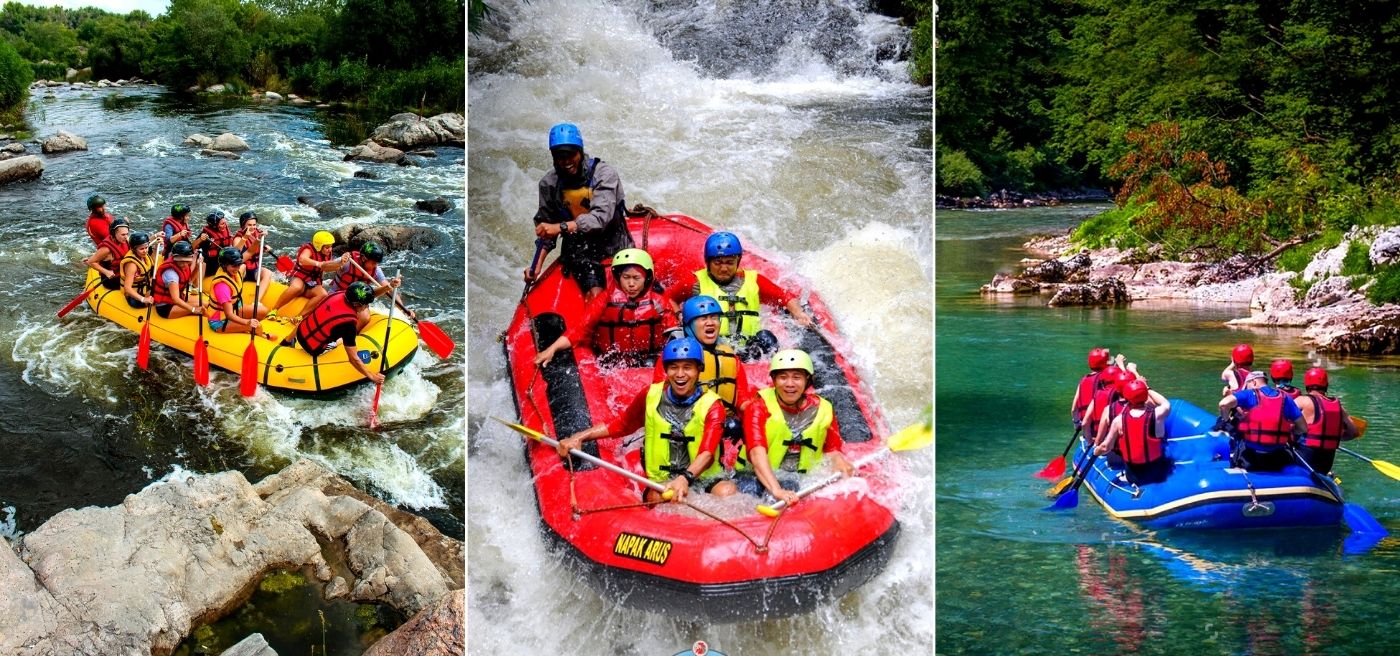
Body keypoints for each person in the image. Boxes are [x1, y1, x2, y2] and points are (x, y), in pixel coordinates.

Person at [557, 337, 736, 502]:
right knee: (666, 499)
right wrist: (579, 437)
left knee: (727, 492)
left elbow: (707, 452)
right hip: (662, 481)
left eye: (687, 367)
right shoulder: (650, 395)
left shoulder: (713, 405)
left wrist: (685, 478)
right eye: (674, 367)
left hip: (702, 478)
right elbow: (622, 425)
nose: (680, 374)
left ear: (699, 370)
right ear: (666, 370)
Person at [527, 123, 634, 300]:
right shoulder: (549, 184)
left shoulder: (604, 174)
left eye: (571, 154)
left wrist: (560, 227)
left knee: (641, 290)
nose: (566, 161)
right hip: (579, 250)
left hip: (615, 243)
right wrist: (536, 267)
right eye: (560, 156)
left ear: (580, 151)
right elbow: (546, 231)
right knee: (595, 296)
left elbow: (600, 218)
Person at [734, 349, 855, 504]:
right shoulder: (757, 407)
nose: (789, 384)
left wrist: (838, 461)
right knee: (751, 493)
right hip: (752, 474)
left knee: (792, 488)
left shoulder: (824, 408)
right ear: (774, 380)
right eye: (783, 378)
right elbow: (757, 453)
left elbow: (832, 449)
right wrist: (776, 489)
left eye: (797, 377)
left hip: (797, 477)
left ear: (807, 381)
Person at [665, 231, 812, 355]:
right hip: (711, 345)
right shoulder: (695, 282)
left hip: (749, 347)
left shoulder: (754, 280)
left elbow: (784, 296)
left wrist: (798, 313)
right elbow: (668, 298)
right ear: (708, 263)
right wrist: (678, 315)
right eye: (718, 263)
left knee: (767, 338)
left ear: (738, 261)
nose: (724, 268)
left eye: (729, 263)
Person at [535, 248, 675, 368]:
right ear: (618, 277)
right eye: (626, 277)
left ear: (647, 278)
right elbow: (579, 330)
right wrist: (552, 349)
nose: (631, 284)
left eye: (636, 278)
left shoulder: (659, 303)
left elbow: (674, 334)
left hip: (649, 362)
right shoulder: (604, 300)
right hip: (611, 364)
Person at [279, 282, 385, 385]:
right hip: (313, 348)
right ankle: (330, 345)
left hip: (301, 331)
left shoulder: (339, 294)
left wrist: (388, 287)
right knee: (342, 340)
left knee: (313, 319)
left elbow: (369, 295)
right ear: (357, 304)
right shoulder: (349, 324)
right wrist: (372, 376)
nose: (367, 307)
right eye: (366, 304)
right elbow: (353, 359)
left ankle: (286, 341)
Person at [1217, 370, 1306, 471]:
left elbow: (1223, 404)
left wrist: (1226, 420)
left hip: (1252, 457)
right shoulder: (1286, 398)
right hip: (1277, 457)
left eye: (1247, 385)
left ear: (1254, 382)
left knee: (1238, 438)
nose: (1246, 388)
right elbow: (1303, 428)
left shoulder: (1249, 394)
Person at [1095, 380, 1172, 485]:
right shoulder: (1158, 414)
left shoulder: (1119, 421)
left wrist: (1096, 452)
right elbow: (1165, 402)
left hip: (1133, 476)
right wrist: (1147, 387)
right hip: (1156, 472)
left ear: (1127, 398)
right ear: (1145, 395)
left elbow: (1105, 447)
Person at [1292, 367, 1358, 474]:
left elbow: (1278, 419)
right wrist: (1334, 437)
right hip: (1326, 464)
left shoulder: (1302, 401)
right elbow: (1354, 432)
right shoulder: (1338, 407)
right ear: (1326, 385)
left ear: (1306, 385)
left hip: (1305, 460)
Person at [270, 230, 349, 320]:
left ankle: (299, 317)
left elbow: (326, 268)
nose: (330, 249)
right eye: (327, 247)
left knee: (323, 294)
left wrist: (340, 263)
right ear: (319, 246)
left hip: (313, 282)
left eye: (331, 247)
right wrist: (318, 264)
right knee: (297, 287)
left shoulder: (327, 253)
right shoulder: (308, 249)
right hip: (300, 277)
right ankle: (273, 310)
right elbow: (302, 259)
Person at [207, 247, 269, 335]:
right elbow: (229, 314)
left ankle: (243, 329)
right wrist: (246, 322)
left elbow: (250, 251)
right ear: (224, 265)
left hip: (235, 310)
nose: (237, 268)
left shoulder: (234, 270)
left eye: (238, 264)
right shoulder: (222, 286)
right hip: (220, 321)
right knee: (257, 326)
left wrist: (258, 240)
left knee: (264, 311)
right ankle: (263, 337)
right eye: (234, 266)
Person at [327, 242, 401, 298]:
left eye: (377, 263)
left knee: (366, 316)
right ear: (363, 259)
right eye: (373, 263)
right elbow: (325, 268)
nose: (375, 265)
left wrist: (404, 310)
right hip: (337, 295)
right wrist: (339, 263)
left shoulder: (376, 270)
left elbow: (389, 290)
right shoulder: (348, 261)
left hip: (356, 301)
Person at [152, 241, 203, 320]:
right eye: (181, 261)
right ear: (174, 258)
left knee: (205, 304)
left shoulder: (182, 265)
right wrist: (193, 309)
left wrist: (197, 266)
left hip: (178, 299)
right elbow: (175, 299)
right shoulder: (171, 274)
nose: (184, 264)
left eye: (187, 261)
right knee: (203, 307)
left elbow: (189, 280)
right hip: (166, 307)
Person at [233, 211, 274, 301]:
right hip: (243, 271)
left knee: (268, 273)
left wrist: (264, 248)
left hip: (254, 269)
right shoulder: (238, 238)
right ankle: (234, 298)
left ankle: (257, 301)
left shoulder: (257, 234)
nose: (252, 227)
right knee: (241, 267)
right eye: (249, 225)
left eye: (254, 225)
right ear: (243, 226)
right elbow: (236, 256)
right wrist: (245, 238)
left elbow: (255, 248)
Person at [1080, 364, 1124, 444]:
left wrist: (1090, 441)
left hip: (1095, 437)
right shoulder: (1123, 397)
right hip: (1113, 443)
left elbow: (1085, 423)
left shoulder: (1097, 395)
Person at [1071, 347, 1111, 429]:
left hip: (1087, 427)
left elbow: (1074, 409)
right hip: (1101, 426)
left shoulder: (1083, 380)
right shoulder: (1105, 378)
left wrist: (1076, 423)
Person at [85, 218, 130, 290]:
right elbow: (91, 262)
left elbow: (141, 245)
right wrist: (106, 272)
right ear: (114, 233)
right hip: (112, 280)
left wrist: (155, 237)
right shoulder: (106, 249)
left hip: (123, 274)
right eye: (123, 234)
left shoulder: (125, 240)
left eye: (127, 234)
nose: (126, 237)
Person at [120, 231, 156, 308]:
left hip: (145, 287)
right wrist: (143, 299)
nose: (145, 251)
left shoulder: (144, 256)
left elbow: (153, 264)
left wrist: (155, 248)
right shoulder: (132, 265)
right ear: (134, 249)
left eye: (146, 247)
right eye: (141, 249)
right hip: (134, 296)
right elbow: (127, 288)